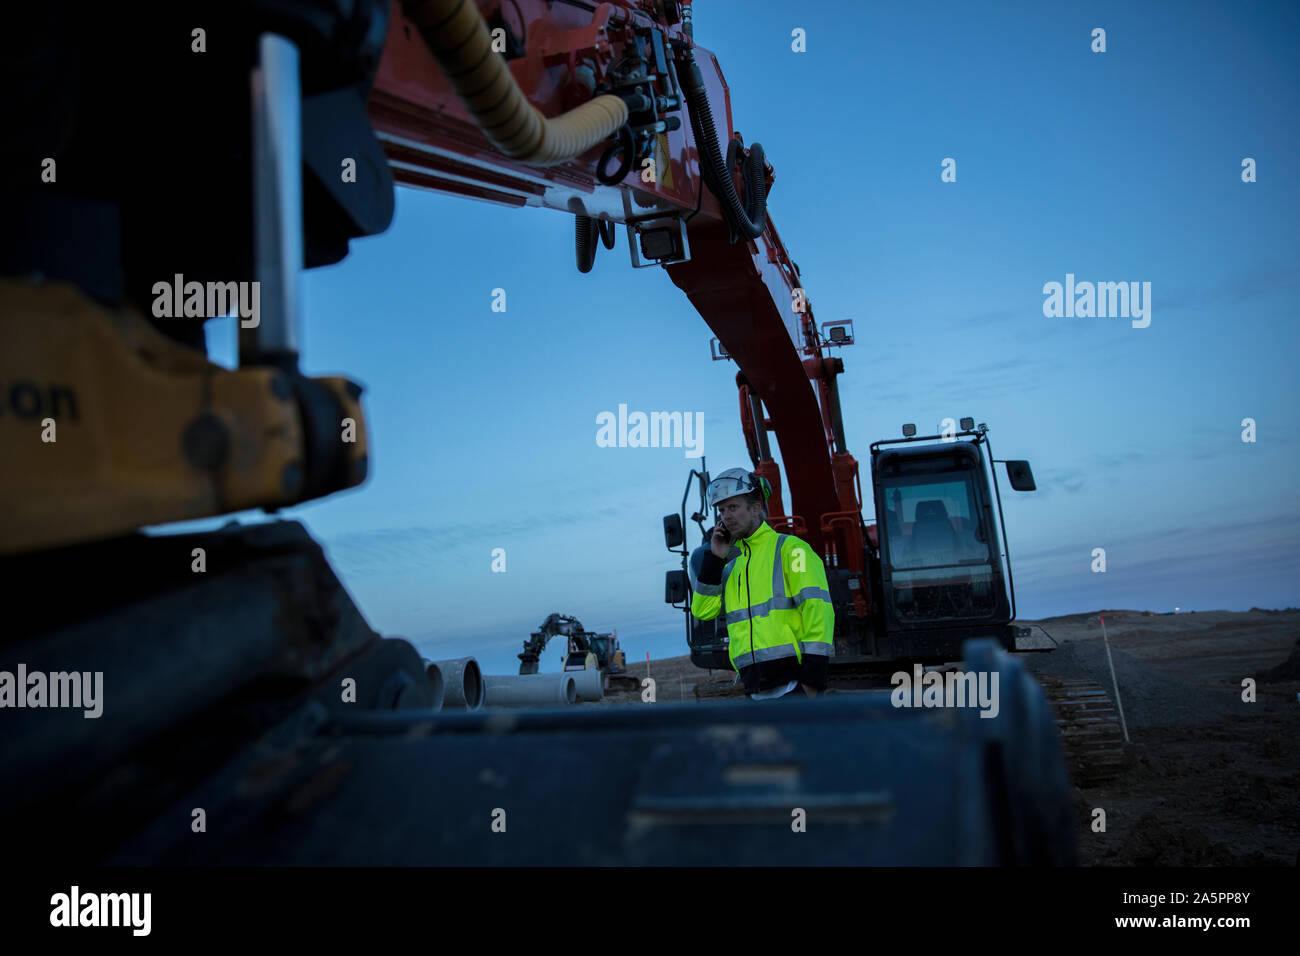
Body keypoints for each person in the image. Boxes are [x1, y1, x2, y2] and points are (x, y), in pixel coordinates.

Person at [688, 467, 834, 700]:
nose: (726, 516)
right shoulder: (732, 566)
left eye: (733, 507)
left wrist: (811, 683)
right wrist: (715, 559)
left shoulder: (792, 550)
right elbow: (703, 611)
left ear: (756, 507)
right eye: (722, 510)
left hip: (794, 687)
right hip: (754, 689)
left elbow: (818, 612)